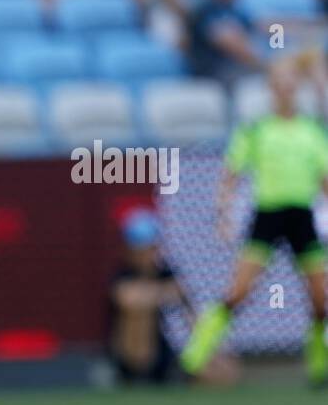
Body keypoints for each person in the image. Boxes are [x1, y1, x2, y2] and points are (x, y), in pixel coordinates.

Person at [180, 52, 328, 387]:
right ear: (271, 88)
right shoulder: (256, 129)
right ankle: (194, 356)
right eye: (280, 82)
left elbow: (324, 179)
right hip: (268, 216)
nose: (286, 88)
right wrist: (223, 214)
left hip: (301, 217)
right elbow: (232, 174)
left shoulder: (312, 130)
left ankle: (319, 366)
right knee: (238, 293)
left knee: (321, 299)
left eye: (291, 82)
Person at [107, 209, 187, 384]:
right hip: (126, 356)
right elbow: (128, 299)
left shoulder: (165, 272)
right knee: (139, 311)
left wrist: (149, 293)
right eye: (144, 249)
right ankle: (137, 374)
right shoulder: (122, 274)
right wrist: (161, 293)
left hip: (164, 353)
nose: (149, 254)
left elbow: (182, 293)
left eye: (152, 248)